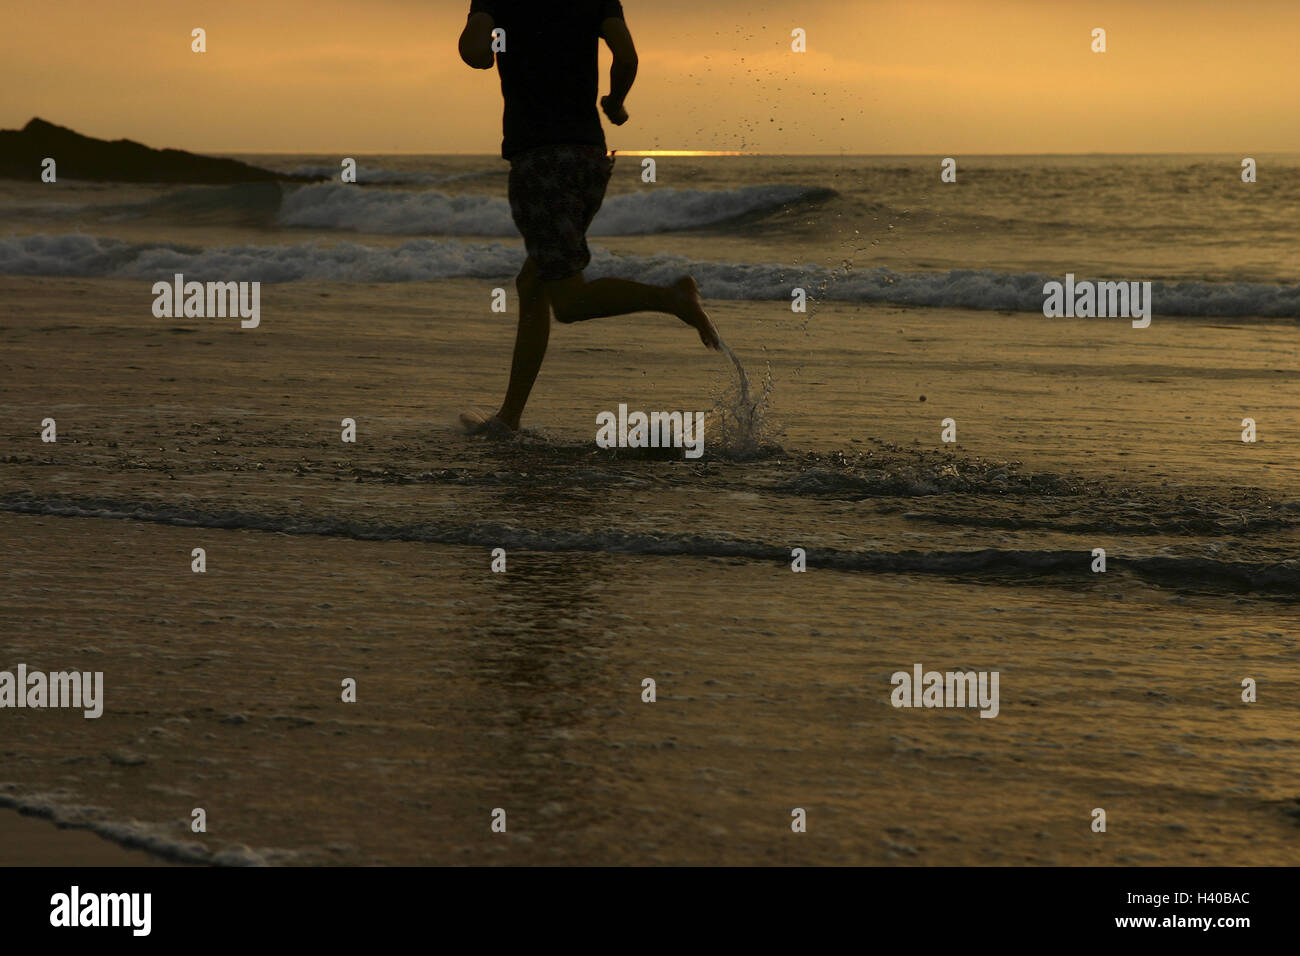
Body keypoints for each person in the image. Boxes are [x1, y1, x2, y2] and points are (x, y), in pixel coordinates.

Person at [459, 0, 721, 433]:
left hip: (541, 161)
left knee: (569, 302)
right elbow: (627, 56)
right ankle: (508, 418)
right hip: (588, 158)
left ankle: (671, 297)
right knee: (533, 282)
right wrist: (616, 102)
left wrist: (487, 52)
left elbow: (473, 51)